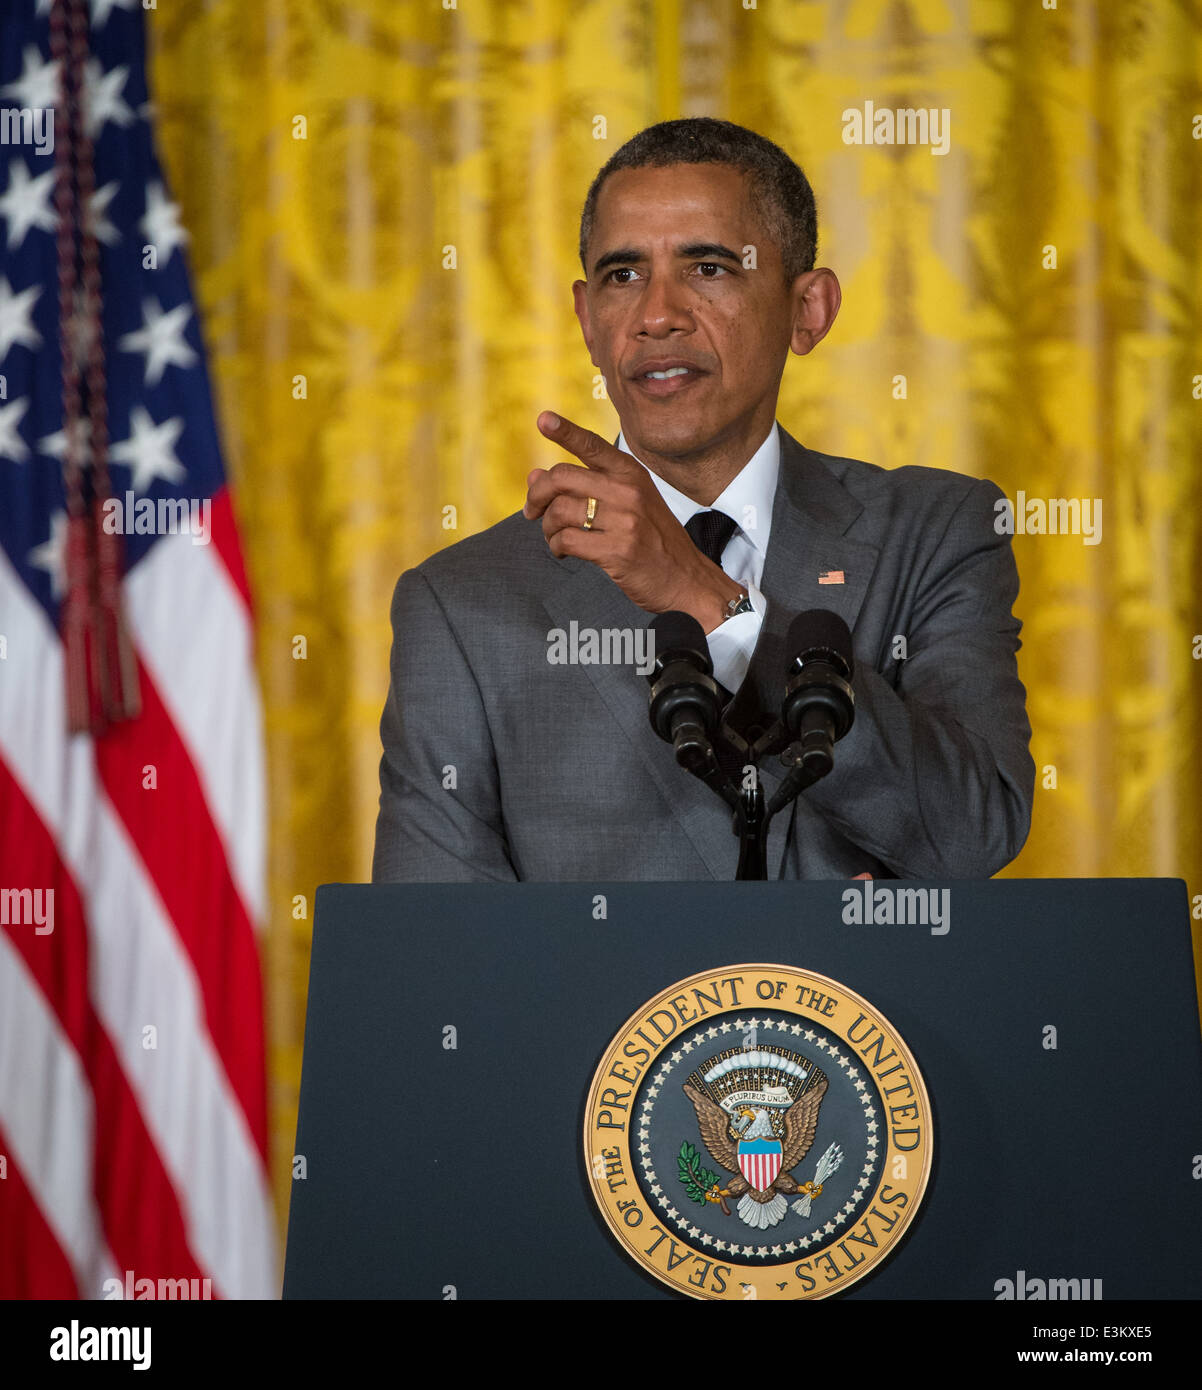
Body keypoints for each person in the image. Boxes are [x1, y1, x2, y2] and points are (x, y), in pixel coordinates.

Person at [371, 118, 1034, 882]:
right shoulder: (463, 605)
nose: (657, 314)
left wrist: (702, 594)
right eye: (623, 276)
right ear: (588, 321)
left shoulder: (936, 534)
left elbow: (974, 831)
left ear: (807, 310)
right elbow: (440, 960)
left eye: (709, 268)